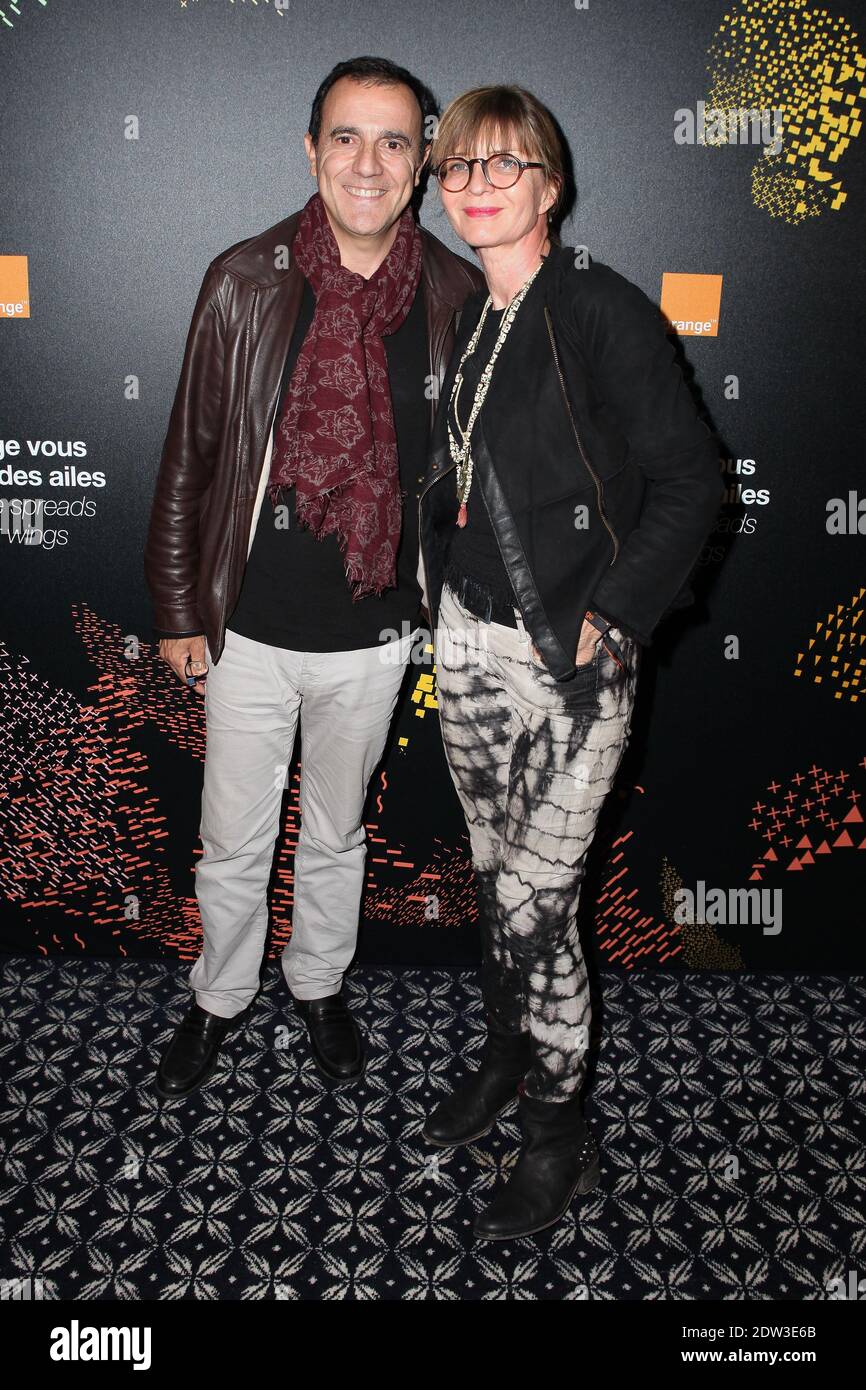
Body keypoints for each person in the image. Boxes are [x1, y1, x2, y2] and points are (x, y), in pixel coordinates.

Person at [144, 56, 484, 1101]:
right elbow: (192, 454)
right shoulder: (243, 278)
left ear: (420, 162)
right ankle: (217, 1001)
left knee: (337, 833)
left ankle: (320, 984)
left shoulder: (453, 292)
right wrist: (173, 607)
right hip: (245, 627)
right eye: (345, 136)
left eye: (393, 141)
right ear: (310, 150)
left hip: (376, 634)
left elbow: (469, 470)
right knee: (229, 843)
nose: (368, 162)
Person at [418, 85, 724, 1240]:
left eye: (502, 166)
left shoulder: (600, 309)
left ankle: (558, 1142)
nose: (475, 185)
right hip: (469, 640)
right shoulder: (469, 317)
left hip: (569, 661)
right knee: (498, 885)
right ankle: (507, 1060)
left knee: (539, 905)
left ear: (548, 184)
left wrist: (614, 613)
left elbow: (693, 482)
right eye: (456, 168)